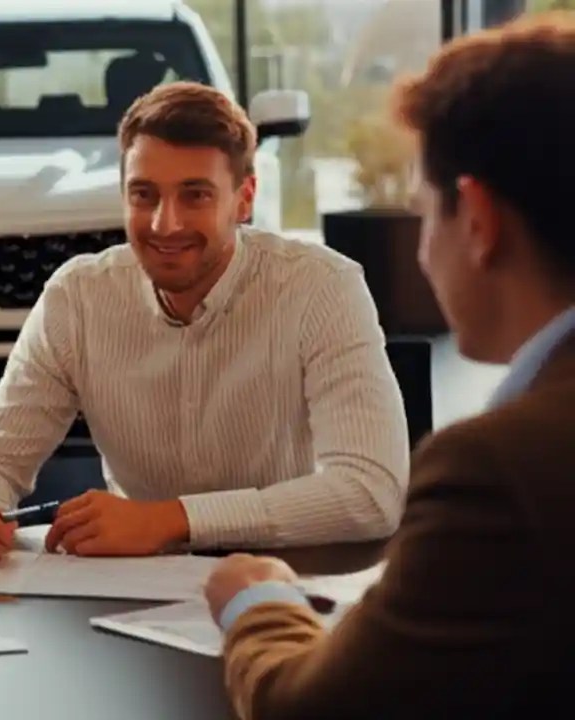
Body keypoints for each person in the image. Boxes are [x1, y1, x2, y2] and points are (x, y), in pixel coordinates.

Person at [204, 12, 575, 719]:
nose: (422, 250)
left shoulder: (498, 468)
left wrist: (258, 602)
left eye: (423, 213)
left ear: (478, 220)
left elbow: (313, 710)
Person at [0, 82, 410, 566]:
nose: (166, 224)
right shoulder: (77, 297)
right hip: (134, 589)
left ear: (244, 198)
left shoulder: (322, 287)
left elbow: (371, 491)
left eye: (195, 195)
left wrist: (171, 520)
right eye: (144, 195)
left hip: (289, 582)